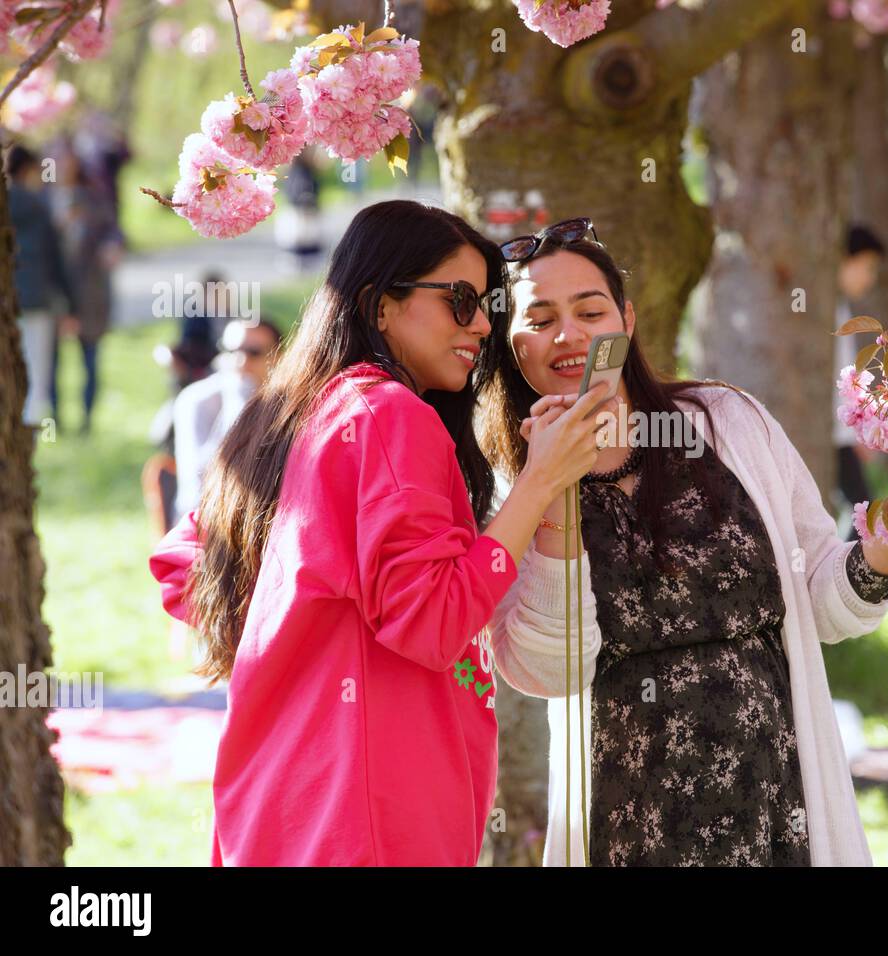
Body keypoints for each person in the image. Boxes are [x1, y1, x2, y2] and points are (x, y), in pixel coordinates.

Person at [482, 222, 888, 866]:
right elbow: (550, 670)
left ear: (626, 320)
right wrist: (551, 487)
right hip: (629, 821)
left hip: (774, 800)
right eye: (540, 320)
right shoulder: (507, 487)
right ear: (511, 343)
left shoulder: (729, 423)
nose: (568, 335)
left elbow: (824, 603)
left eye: (590, 312)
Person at [148, 200, 610, 866]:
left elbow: (185, 567)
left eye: (485, 305)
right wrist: (540, 483)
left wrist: (313, 633)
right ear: (380, 305)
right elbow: (433, 620)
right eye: (459, 300)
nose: (482, 324)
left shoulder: (292, 414)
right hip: (370, 822)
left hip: (279, 807)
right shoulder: (389, 415)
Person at [172, 318, 282, 520]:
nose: (241, 361)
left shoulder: (285, 405)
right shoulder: (196, 400)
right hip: (204, 520)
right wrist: (241, 402)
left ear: (279, 358)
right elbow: (201, 476)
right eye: (232, 351)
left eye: (254, 352)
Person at [49, 147, 124, 434]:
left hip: (91, 296)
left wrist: (112, 246)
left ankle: (86, 422)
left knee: (90, 361)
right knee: (52, 364)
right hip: (56, 298)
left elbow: (113, 231)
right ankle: (54, 419)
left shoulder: (94, 199)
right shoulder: (47, 201)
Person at [6, 143, 76, 427]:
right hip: (36, 298)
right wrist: (70, 304)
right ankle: (31, 423)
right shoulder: (39, 206)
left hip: (7, 300)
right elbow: (56, 259)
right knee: (36, 365)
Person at [833, 224, 888, 532]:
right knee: (862, 511)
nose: (871, 278)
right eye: (868, 267)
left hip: (838, 436)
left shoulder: (838, 307)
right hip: (833, 437)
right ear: (845, 259)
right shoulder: (826, 308)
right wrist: (852, 433)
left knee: (860, 509)